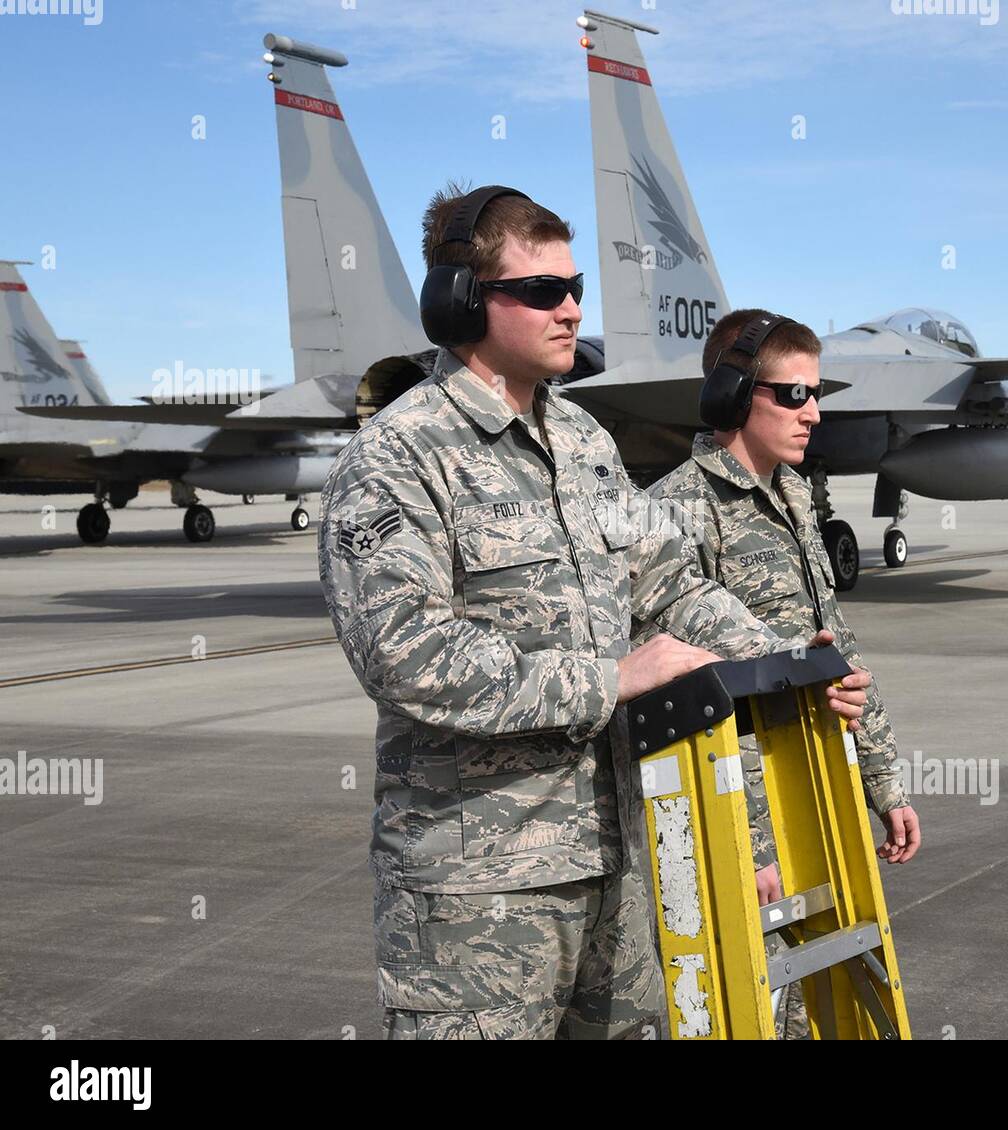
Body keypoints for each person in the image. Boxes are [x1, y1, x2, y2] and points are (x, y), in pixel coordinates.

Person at [317, 188, 872, 1040]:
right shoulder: (398, 456)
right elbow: (405, 653)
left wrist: (791, 663)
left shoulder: (583, 442)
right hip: (481, 895)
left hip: (621, 865)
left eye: (574, 286)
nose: (570, 307)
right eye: (540, 291)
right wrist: (612, 678)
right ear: (462, 302)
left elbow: (670, 585)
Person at [638, 308, 922, 1037]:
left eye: (815, 393)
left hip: (815, 797)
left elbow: (838, 649)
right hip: (734, 819)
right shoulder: (674, 511)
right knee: (741, 1014)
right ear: (734, 398)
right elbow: (677, 709)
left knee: (817, 1012)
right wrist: (748, 846)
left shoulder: (794, 496)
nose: (813, 413)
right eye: (793, 395)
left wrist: (883, 781)